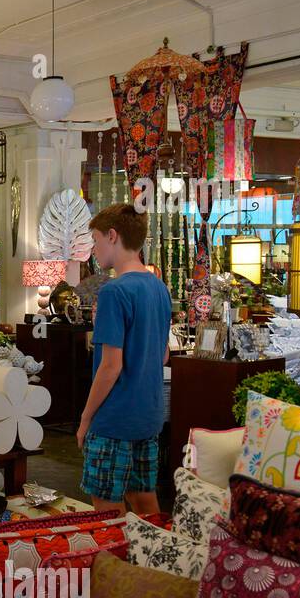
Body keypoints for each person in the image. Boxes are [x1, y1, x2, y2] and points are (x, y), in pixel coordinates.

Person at [76, 203, 171, 515]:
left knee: (106, 511)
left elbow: (110, 365)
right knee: (145, 501)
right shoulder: (159, 288)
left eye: (96, 240)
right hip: (149, 416)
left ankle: (114, 565)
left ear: (112, 236)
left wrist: (86, 418)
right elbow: (163, 354)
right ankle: (152, 562)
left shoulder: (114, 292)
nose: (94, 249)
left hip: (114, 419)